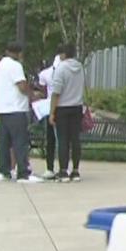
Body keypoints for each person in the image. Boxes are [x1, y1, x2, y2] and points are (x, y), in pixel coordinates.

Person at [0, 42, 46, 183]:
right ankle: (24, 173)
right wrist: (33, 96)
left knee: (4, 141)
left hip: (3, 108)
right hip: (16, 108)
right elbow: (22, 86)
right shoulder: (15, 66)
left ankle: (3, 171)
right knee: (20, 141)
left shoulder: (0, 66)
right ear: (19, 53)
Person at [49, 44, 86, 183]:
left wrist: (52, 112)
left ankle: (63, 170)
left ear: (64, 54)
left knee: (63, 139)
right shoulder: (80, 67)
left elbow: (56, 92)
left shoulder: (61, 68)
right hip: (77, 107)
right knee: (75, 139)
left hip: (63, 107)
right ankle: (75, 170)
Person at [37, 54, 61, 179]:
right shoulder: (46, 74)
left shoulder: (45, 74)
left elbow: (43, 91)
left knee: (55, 139)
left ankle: (55, 168)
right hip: (56, 107)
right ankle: (55, 168)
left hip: (55, 107)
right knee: (55, 139)